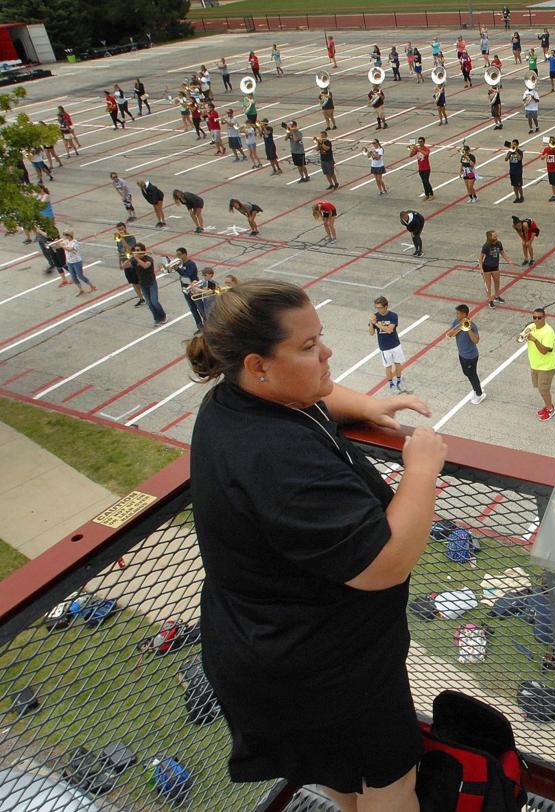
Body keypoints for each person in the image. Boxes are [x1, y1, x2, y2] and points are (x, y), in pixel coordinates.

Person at [187, 280, 440, 812]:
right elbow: (385, 563)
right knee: (389, 782)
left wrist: (368, 405)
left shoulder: (238, 402)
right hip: (321, 669)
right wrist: (422, 470)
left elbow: (319, 394)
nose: (327, 354)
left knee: (339, 775)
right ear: (258, 365)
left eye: (319, 337)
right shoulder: (277, 460)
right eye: (308, 347)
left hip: (279, 648)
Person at [447, 304, 485, 404]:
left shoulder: (473, 326)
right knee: (467, 373)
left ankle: (480, 394)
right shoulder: (456, 322)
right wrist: (460, 328)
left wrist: (468, 330)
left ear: (464, 314)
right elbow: (450, 334)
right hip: (462, 355)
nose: (456, 315)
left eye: (458, 313)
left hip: (471, 356)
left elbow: (476, 340)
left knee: (472, 375)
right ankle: (476, 388)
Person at [370, 297, 408, 394]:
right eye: (376, 308)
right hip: (384, 346)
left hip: (395, 344)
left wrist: (376, 323)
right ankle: (391, 384)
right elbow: (371, 333)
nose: (378, 310)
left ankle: (399, 381)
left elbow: (389, 330)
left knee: (398, 363)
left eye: (380, 307)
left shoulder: (393, 316)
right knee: (388, 366)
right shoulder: (375, 317)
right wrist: (371, 323)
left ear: (386, 306)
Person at [526, 307, 555, 421]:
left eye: (539, 317)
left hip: (546, 367)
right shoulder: (531, 327)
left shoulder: (549, 332)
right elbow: (519, 338)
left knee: (543, 389)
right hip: (535, 365)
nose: (537, 320)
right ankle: (547, 405)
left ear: (544, 317)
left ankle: (550, 409)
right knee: (540, 388)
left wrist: (534, 340)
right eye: (534, 317)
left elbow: (544, 351)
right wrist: (523, 335)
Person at [49, 230, 96, 296]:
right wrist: (53, 244)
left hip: (76, 262)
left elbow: (70, 249)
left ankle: (92, 286)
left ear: (69, 236)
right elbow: (58, 247)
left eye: (65, 235)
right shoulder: (66, 241)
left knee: (80, 276)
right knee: (73, 277)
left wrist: (61, 245)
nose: (64, 237)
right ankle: (80, 289)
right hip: (69, 262)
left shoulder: (74, 242)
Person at [131, 243, 166, 326]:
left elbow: (145, 266)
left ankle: (163, 316)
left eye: (138, 250)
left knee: (154, 302)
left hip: (151, 282)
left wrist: (136, 258)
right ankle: (157, 319)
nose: (136, 252)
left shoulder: (148, 259)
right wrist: (129, 259)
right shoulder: (134, 260)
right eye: (135, 251)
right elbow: (124, 266)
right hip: (142, 283)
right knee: (149, 303)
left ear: (142, 250)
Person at [479, 230, 512, 307]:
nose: (496, 237)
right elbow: (481, 257)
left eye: (496, 235)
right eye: (494, 236)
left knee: (497, 281)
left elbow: (502, 252)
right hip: (487, 266)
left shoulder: (499, 243)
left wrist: (508, 260)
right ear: (490, 237)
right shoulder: (486, 246)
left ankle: (496, 296)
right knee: (488, 284)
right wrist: (481, 268)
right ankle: (490, 300)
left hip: (495, 266)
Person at [173, 247, 203, 330]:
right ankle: (200, 327)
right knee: (192, 309)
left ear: (185, 254)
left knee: (200, 308)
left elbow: (187, 274)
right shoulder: (181, 264)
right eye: (177, 255)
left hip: (194, 289)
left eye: (179, 255)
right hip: (185, 288)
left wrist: (177, 269)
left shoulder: (191, 264)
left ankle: (208, 326)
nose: (177, 257)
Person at [541, 137, 555, 202]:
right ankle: (554, 195)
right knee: (552, 183)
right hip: (550, 169)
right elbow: (542, 157)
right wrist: (545, 155)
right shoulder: (546, 149)